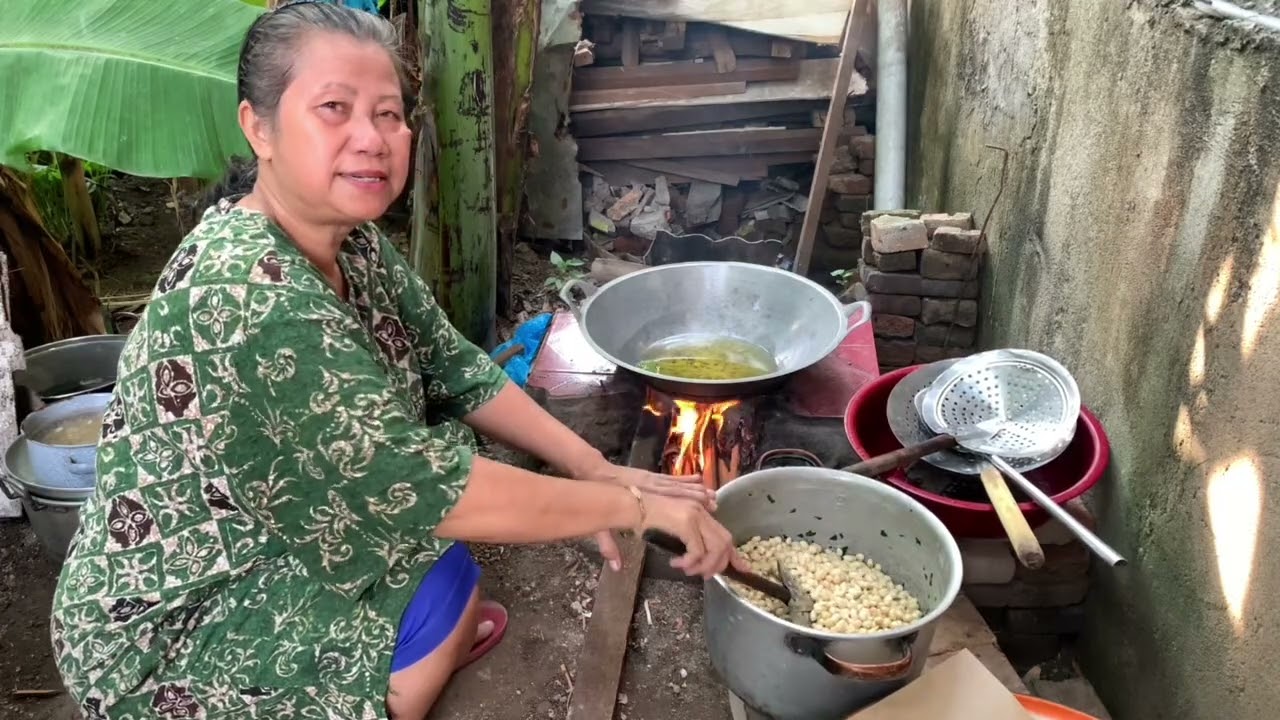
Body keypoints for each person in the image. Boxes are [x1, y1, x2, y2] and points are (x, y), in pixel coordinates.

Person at [49, 3, 745, 719]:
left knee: (445, 573)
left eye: (388, 114)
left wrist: (593, 469)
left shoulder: (347, 239)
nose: (372, 139)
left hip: (273, 523)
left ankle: (406, 644)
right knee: (446, 590)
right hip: (169, 624)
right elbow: (426, 489)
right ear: (259, 128)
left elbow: (454, 364)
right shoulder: (252, 299)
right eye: (334, 108)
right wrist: (629, 505)